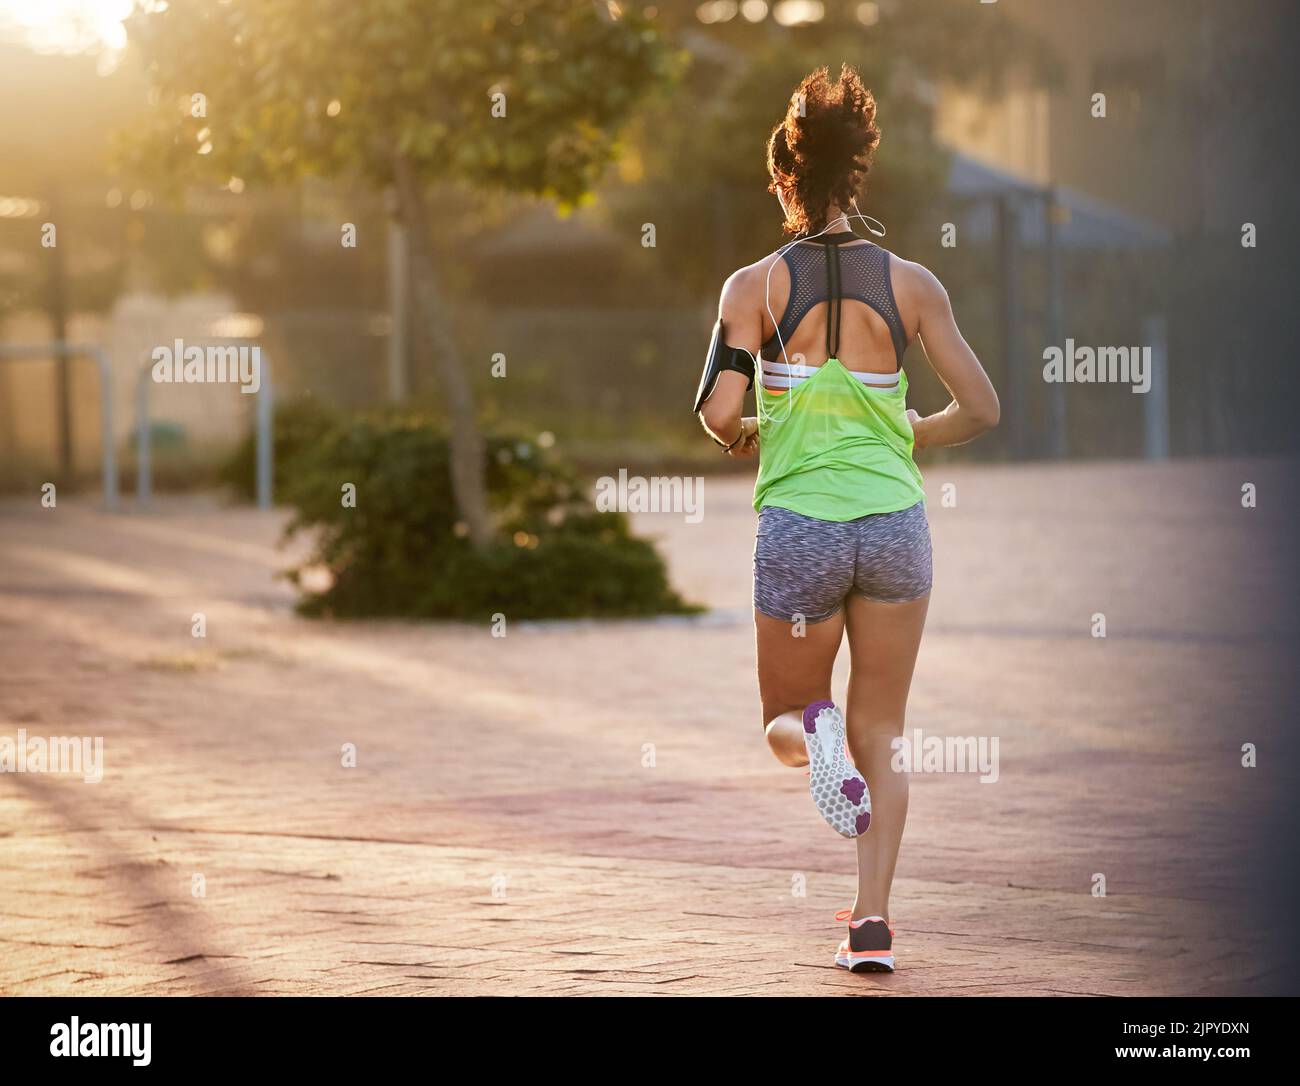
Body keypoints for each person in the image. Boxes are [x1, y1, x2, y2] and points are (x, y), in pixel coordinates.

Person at [693, 65, 999, 973]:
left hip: (802, 528)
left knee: (786, 715)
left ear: (785, 175)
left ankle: (813, 731)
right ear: (858, 169)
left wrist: (755, 427)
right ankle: (871, 927)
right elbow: (981, 408)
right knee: (887, 733)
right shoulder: (913, 285)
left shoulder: (751, 286)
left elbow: (715, 414)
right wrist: (910, 427)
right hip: (897, 526)